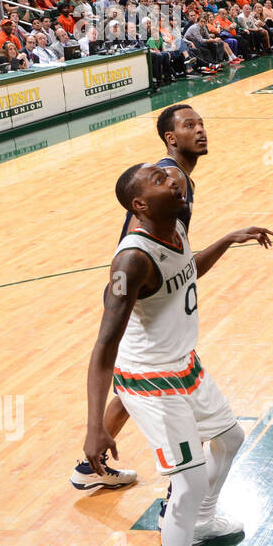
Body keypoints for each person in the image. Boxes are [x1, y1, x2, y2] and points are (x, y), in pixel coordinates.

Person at [83, 162, 273, 546]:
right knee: (186, 484)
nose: (173, 178)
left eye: (170, 175)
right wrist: (95, 426)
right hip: (147, 378)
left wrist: (226, 240)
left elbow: (184, 269)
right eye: (158, 179)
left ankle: (203, 523)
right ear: (139, 205)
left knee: (230, 438)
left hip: (183, 363)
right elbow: (103, 349)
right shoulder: (131, 259)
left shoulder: (176, 224)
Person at [70, 103, 209, 491]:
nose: (200, 130)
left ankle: (88, 469)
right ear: (170, 138)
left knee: (139, 387)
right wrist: (139, 289)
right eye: (189, 125)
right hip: (137, 293)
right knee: (166, 390)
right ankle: (176, 495)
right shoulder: (170, 180)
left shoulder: (176, 178)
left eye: (201, 123)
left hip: (142, 291)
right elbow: (143, 244)